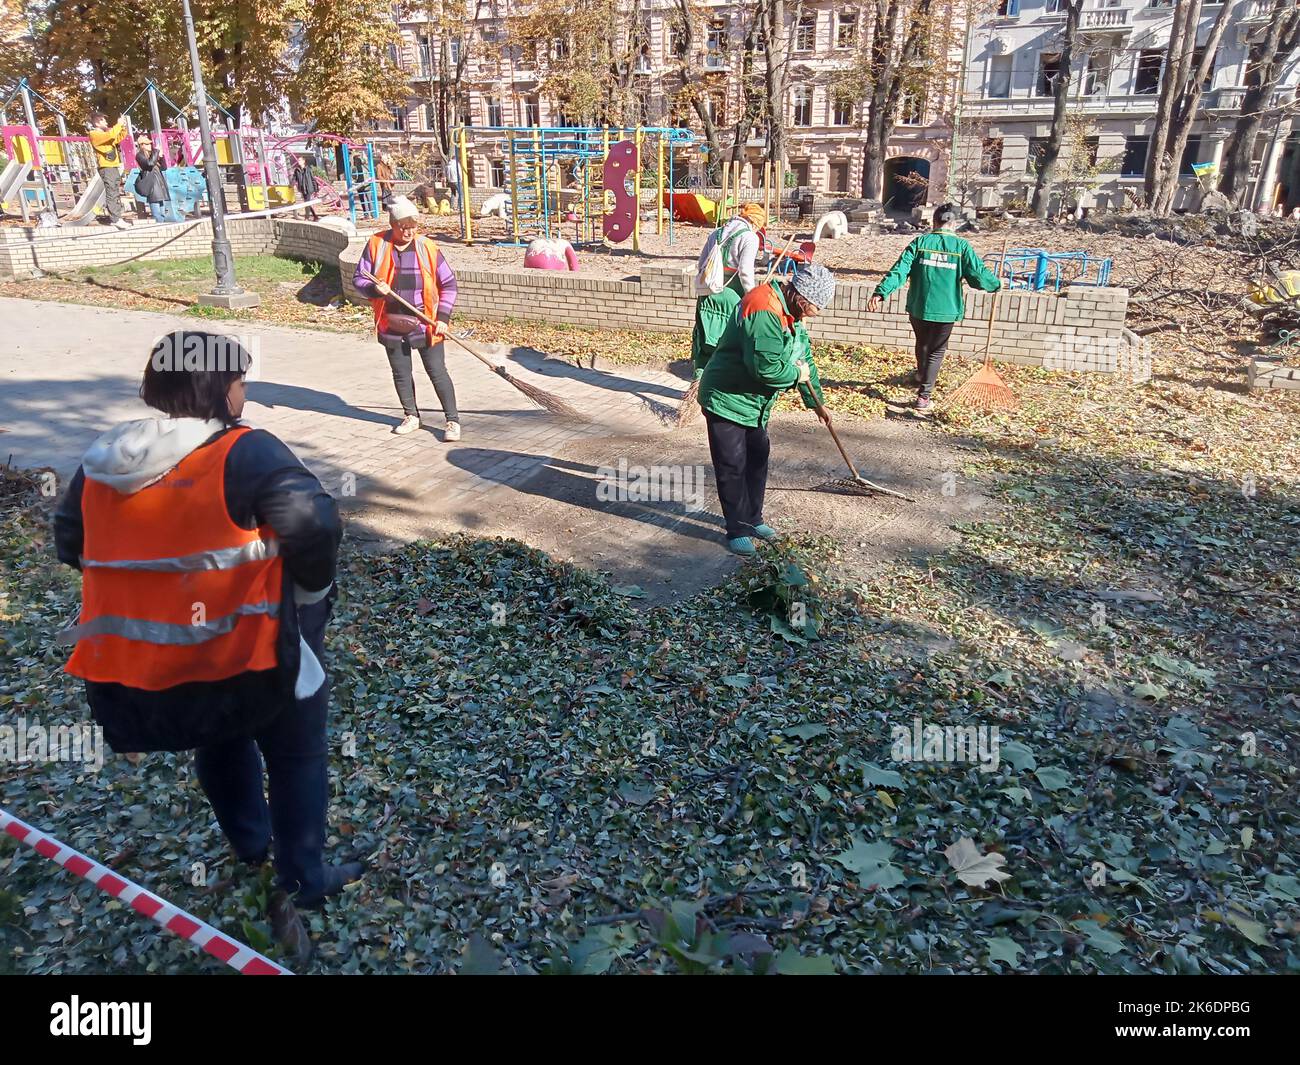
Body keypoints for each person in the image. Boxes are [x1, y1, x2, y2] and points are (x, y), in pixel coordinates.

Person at [53, 331, 360, 957]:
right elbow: (312, 521)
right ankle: (303, 878)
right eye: (241, 380)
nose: (244, 391)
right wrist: (312, 593)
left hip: (169, 658)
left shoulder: (103, 459)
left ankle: (250, 844)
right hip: (256, 646)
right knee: (297, 755)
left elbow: (71, 541)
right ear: (220, 387)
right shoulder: (246, 452)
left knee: (220, 738)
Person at [698, 262, 836, 556]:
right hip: (727, 398)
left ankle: (753, 519)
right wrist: (795, 375)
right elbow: (765, 369)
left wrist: (817, 404)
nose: (817, 313)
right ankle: (736, 529)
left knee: (757, 459)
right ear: (802, 297)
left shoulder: (792, 317)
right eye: (816, 307)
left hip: (754, 404)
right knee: (732, 466)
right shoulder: (763, 308)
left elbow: (804, 360)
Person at [868, 202, 1002, 413]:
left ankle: (921, 375)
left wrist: (881, 292)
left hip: (919, 308)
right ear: (954, 223)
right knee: (936, 351)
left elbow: (899, 271)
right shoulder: (961, 247)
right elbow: (977, 276)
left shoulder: (920, 243)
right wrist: (996, 284)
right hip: (946, 310)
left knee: (922, 344)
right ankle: (924, 396)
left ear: (934, 222)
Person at [352, 196, 461, 439]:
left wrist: (443, 316)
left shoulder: (428, 248)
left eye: (413, 227)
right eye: (404, 227)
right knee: (401, 372)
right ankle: (411, 415)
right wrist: (373, 290)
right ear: (392, 224)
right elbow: (359, 278)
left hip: (426, 322)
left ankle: (452, 420)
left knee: (437, 371)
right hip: (391, 320)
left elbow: (449, 285)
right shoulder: (376, 245)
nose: (409, 232)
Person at [691, 202, 766, 378]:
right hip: (731, 297)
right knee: (727, 346)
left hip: (708, 295)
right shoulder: (749, 237)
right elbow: (745, 272)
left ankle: (696, 388)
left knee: (704, 345)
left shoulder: (716, 233)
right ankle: (717, 388)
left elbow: (701, 264)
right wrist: (753, 296)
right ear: (755, 223)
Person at [87, 111, 129, 230]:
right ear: (96, 122)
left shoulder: (105, 134)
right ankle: (115, 218)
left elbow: (118, 137)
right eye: (103, 120)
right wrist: (118, 124)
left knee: (115, 191)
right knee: (112, 192)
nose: (106, 122)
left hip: (113, 165)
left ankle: (117, 217)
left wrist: (123, 127)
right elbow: (110, 135)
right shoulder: (95, 134)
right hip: (106, 167)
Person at [131, 133, 170, 223]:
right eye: (147, 144)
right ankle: (160, 225)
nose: (150, 146)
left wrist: (161, 157)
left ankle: (162, 223)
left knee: (162, 210)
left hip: (159, 183)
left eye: (150, 144)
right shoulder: (140, 155)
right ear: (142, 145)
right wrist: (156, 152)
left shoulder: (153, 155)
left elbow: (163, 167)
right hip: (151, 184)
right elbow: (149, 164)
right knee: (157, 211)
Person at [291, 155, 319, 220]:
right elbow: (294, 178)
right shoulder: (297, 170)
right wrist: (291, 184)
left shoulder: (308, 169)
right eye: (298, 160)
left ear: (304, 161)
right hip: (303, 189)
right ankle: (315, 216)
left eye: (300, 160)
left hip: (309, 188)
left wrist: (316, 189)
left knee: (307, 203)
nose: (298, 162)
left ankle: (307, 218)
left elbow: (313, 179)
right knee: (307, 203)